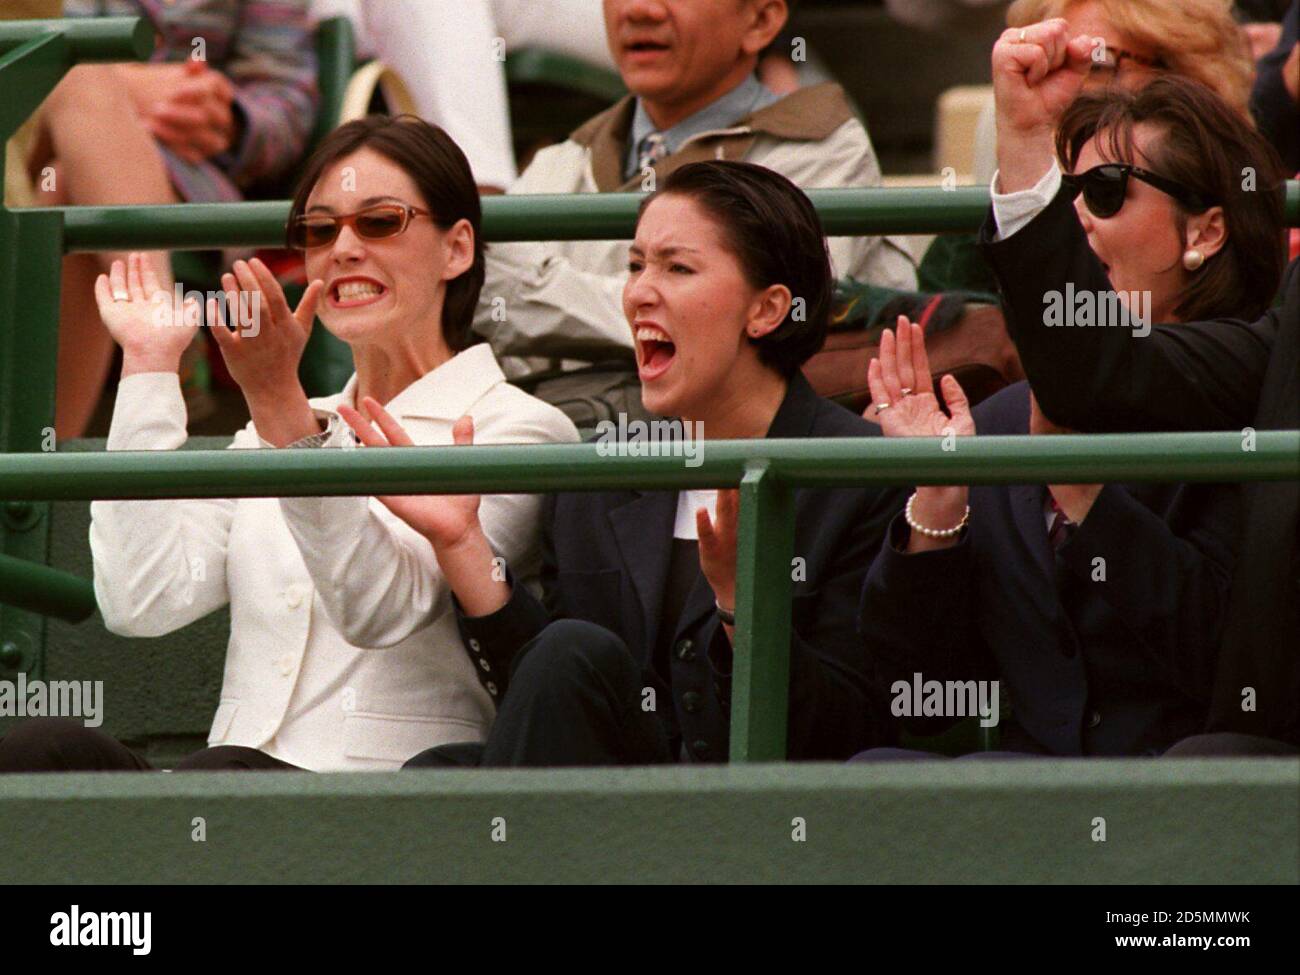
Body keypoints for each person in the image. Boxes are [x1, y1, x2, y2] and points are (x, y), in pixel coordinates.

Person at [0, 117, 578, 774]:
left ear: (458, 248)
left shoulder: (517, 427)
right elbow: (143, 599)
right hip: (222, 789)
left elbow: (378, 608)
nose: (344, 248)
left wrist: (280, 403)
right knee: (35, 752)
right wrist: (149, 365)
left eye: (380, 221)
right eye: (320, 229)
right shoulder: (283, 420)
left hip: (387, 805)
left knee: (224, 774)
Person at [345, 161, 904, 767]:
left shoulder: (855, 474)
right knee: (441, 767)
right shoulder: (602, 473)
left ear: (767, 310)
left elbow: (851, 733)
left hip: (763, 826)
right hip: (607, 820)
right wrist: (462, 546)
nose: (637, 292)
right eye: (635, 265)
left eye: (677, 267)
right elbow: (554, 699)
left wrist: (745, 610)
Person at [978, 17, 1300, 752]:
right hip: (1027, 793)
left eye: (1107, 189)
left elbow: (1224, 659)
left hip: (1184, 787)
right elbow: (913, 675)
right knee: (884, 775)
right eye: (1067, 195)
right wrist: (929, 517)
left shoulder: (1251, 408)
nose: (1079, 219)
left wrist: (1088, 497)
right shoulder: (1000, 420)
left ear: (1205, 232)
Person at [475, 0, 917, 424]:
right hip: (574, 458)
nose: (640, 9)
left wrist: (528, 291)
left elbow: (753, 324)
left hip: (749, 467)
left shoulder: (823, 148)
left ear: (761, 20)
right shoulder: (564, 159)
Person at [25, 0, 318, 438]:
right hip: (36, 152)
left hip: (188, 175)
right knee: (83, 78)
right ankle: (162, 330)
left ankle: (31, 469)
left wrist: (227, 118)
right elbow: (35, 50)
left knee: (76, 185)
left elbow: (286, 104)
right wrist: (127, 87)